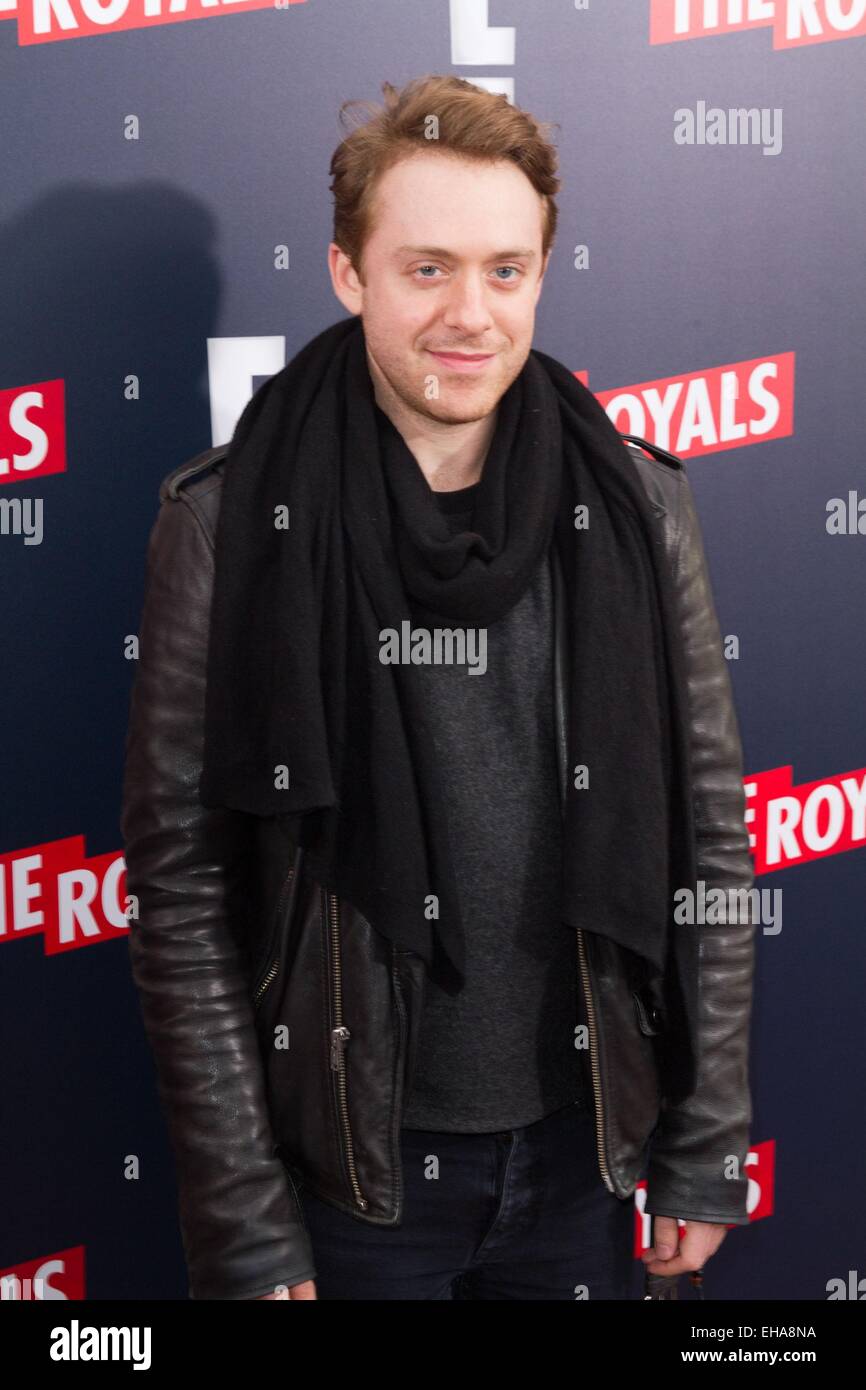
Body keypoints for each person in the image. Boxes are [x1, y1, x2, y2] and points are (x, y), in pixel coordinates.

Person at [120, 74, 756, 1302]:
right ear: (348, 275)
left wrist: (704, 1138)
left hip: (587, 1160)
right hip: (348, 1179)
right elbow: (182, 892)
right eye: (425, 270)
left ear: (540, 274)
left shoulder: (635, 506)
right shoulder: (228, 522)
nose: (470, 314)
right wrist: (246, 1228)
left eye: (504, 271)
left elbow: (712, 845)